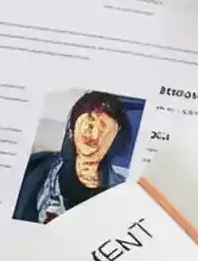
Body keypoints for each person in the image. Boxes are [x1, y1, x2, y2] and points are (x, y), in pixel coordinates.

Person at [14, 92, 134, 224]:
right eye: (90, 119)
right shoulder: (35, 166)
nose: (92, 131)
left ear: (115, 137)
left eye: (103, 126)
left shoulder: (122, 192)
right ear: (73, 125)